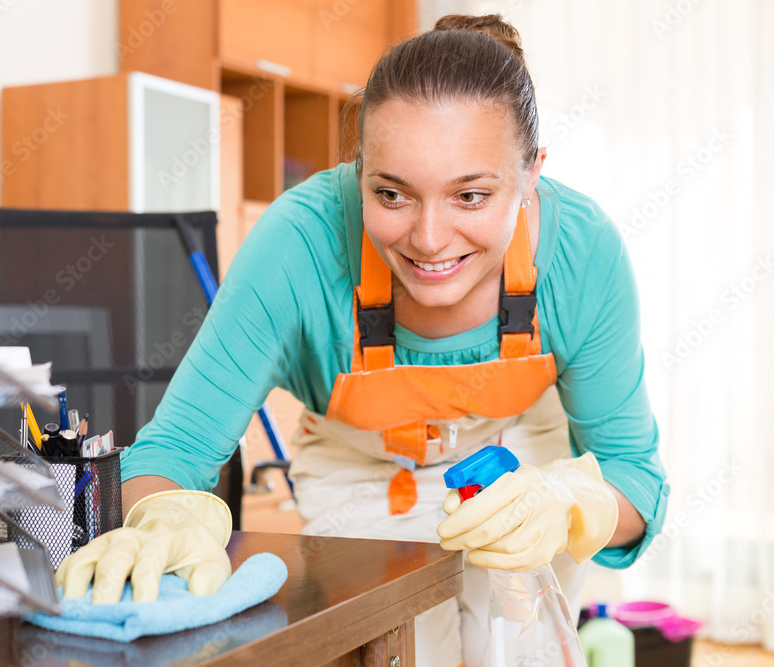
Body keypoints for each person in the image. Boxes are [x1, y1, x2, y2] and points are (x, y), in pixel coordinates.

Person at [57, 13, 669, 666]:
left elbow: (636, 476)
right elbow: (175, 449)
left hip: (518, 458)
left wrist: (573, 505)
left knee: (517, 644)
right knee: (408, 647)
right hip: (365, 473)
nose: (430, 239)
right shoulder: (300, 244)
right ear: (358, 171)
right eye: (391, 193)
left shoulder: (583, 254)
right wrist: (164, 517)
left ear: (529, 177)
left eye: (470, 195)